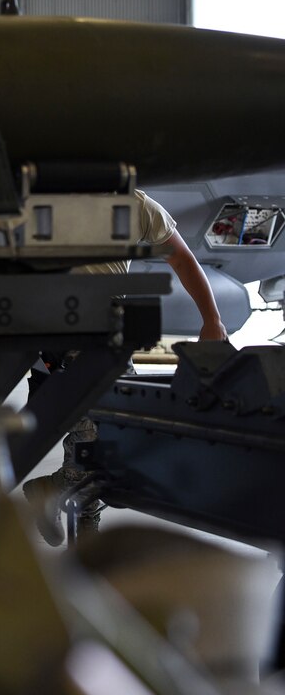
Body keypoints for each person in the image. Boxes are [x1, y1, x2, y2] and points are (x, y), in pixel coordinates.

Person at [23, 190, 228, 544]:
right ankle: (56, 496)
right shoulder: (45, 196)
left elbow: (181, 258)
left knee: (100, 438)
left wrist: (213, 320)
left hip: (110, 326)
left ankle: (79, 527)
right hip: (66, 325)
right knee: (106, 437)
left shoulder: (137, 204)